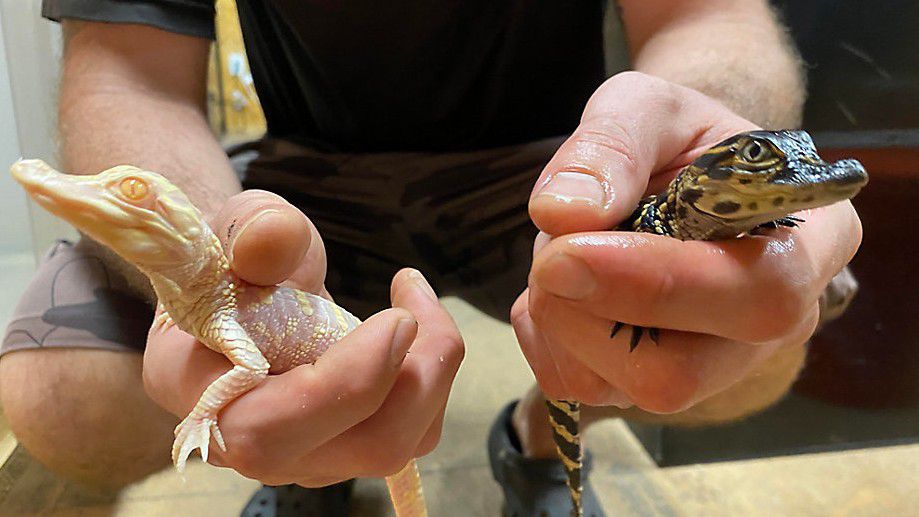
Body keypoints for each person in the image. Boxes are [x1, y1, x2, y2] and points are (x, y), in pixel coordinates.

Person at [0, 1, 862, 515]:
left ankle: (534, 435)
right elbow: (127, 73)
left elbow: (707, 15)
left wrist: (689, 137)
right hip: (305, 171)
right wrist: (207, 257)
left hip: (547, 167)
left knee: (756, 329)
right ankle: (317, 450)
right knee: (61, 394)